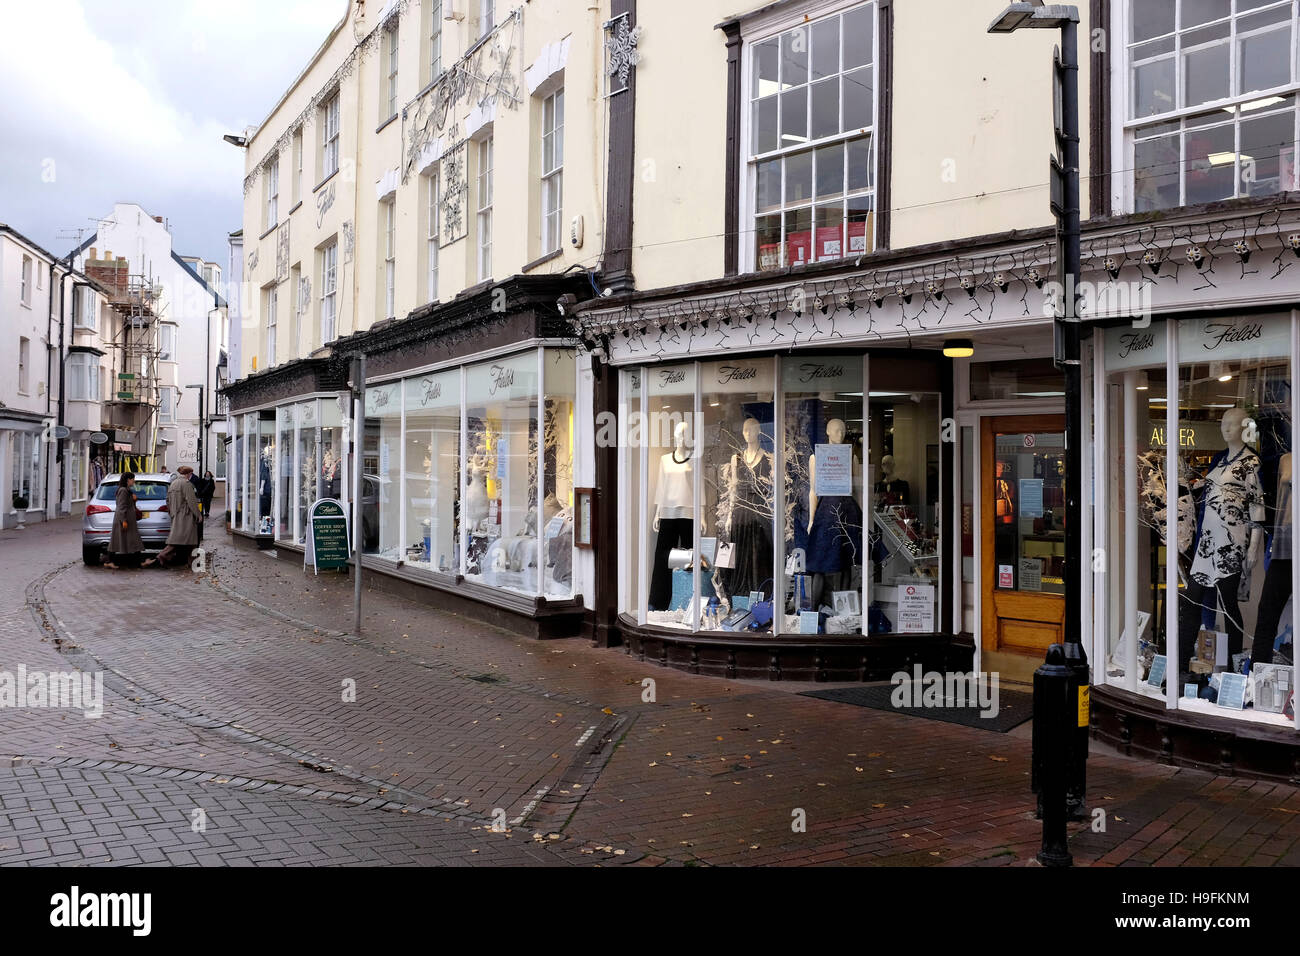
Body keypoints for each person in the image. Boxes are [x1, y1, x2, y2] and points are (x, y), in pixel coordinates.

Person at [147, 466, 201, 568]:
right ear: (188, 474)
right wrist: (198, 514)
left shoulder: (173, 484)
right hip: (186, 516)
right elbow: (191, 501)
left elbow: (167, 500)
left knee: (185, 540)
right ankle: (162, 556)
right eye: (190, 474)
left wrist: (171, 512)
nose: (190, 476)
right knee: (187, 539)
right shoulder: (187, 484)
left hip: (176, 515)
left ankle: (192, 561)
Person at [103, 472, 143, 569]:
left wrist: (134, 500)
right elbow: (121, 506)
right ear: (128, 480)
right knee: (121, 540)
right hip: (124, 519)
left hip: (127, 519)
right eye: (132, 479)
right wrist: (124, 520)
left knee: (128, 540)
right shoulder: (123, 490)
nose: (134, 481)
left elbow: (127, 504)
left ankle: (137, 562)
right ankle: (110, 561)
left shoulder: (127, 490)